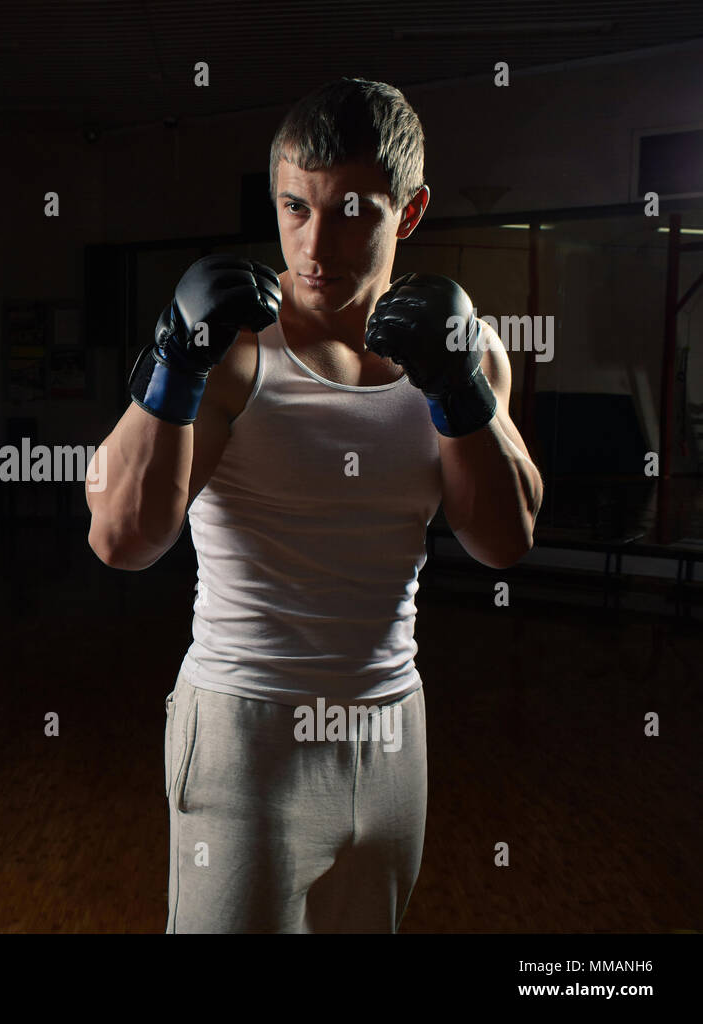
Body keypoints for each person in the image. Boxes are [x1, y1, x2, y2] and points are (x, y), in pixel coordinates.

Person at [86, 78, 543, 932]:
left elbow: (505, 540)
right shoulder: (233, 355)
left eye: (352, 212)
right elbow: (122, 539)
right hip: (244, 735)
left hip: (393, 733)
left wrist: (460, 391)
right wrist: (172, 368)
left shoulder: (467, 350)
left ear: (408, 214)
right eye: (295, 207)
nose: (314, 244)